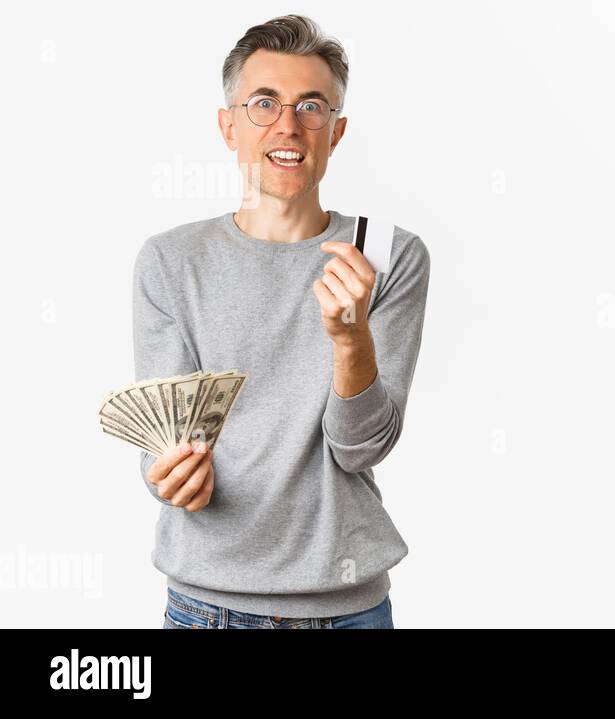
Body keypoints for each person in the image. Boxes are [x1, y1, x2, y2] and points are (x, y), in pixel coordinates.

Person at [135, 14, 430, 629]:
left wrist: (350, 339)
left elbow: (362, 448)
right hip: (205, 606)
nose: (287, 125)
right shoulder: (170, 261)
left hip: (347, 608)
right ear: (228, 126)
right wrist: (170, 475)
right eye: (263, 103)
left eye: (311, 106)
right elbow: (163, 442)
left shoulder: (386, 257)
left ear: (337, 131)